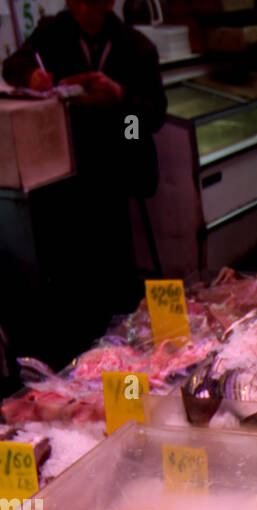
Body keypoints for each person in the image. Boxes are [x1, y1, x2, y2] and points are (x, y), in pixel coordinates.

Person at [2, 1, 167, 341]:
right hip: (67, 166)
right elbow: (12, 65)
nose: (84, 8)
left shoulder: (135, 46)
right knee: (66, 264)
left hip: (120, 158)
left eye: (93, 0)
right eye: (77, 0)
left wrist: (120, 98)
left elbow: (153, 115)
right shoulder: (53, 32)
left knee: (115, 269)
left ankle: (123, 334)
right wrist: (31, 76)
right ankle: (77, 339)